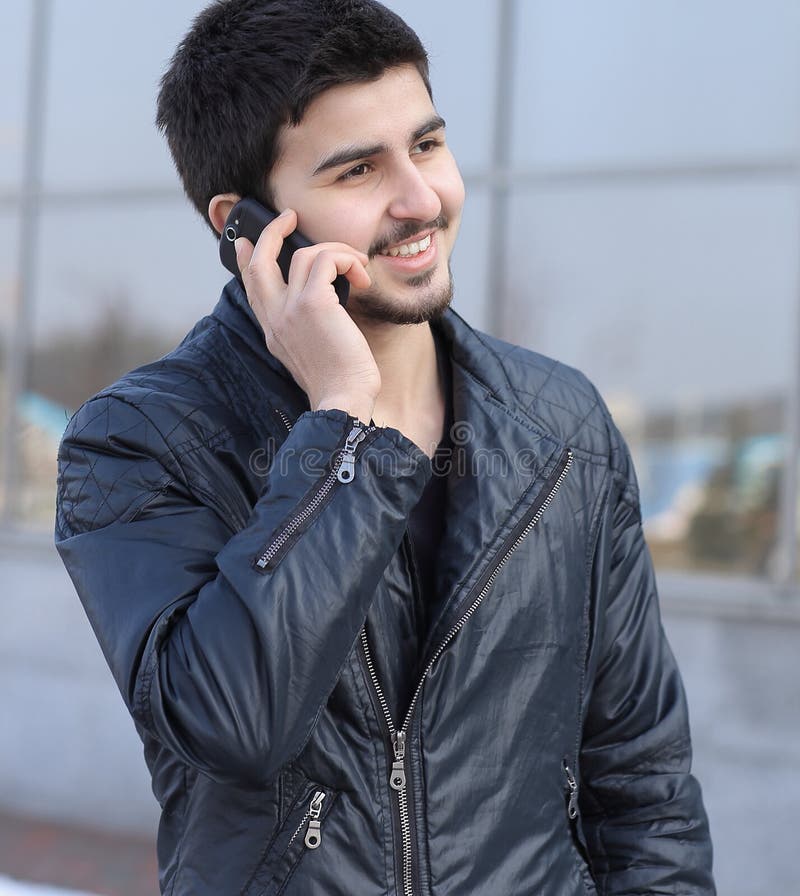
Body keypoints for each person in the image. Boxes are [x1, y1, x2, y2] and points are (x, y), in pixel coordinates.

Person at [54, 1, 715, 893]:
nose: (422, 200)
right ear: (244, 224)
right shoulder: (139, 441)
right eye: (360, 169)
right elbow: (235, 723)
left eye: (428, 145)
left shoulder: (562, 426)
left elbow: (643, 784)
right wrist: (340, 423)